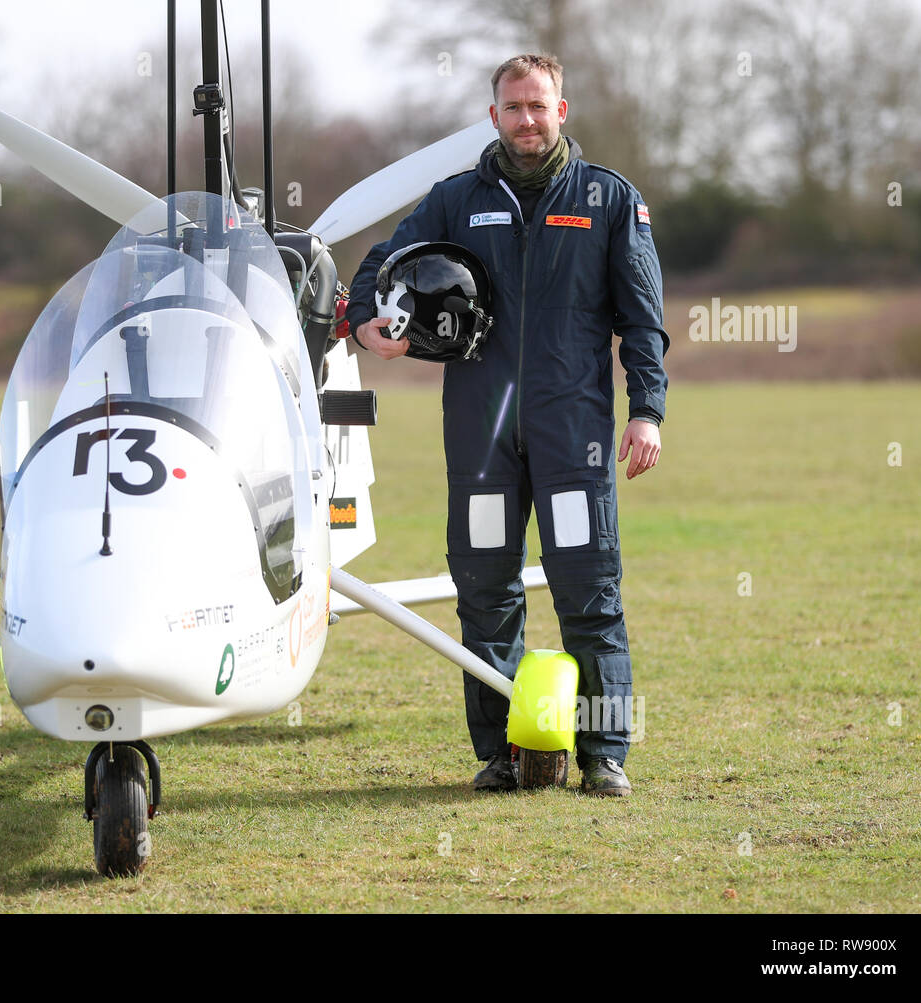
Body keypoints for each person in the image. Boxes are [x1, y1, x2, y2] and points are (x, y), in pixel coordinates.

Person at [345, 54, 669, 797]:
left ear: (564, 109)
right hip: (481, 436)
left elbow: (643, 321)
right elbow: (376, 265)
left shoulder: (608, 199)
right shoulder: (455, 199)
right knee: (486, 593)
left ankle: (604, 753)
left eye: (539, 105)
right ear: (493, 117)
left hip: (574, 437)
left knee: (590, 594)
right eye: (513, 107)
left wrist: (646, 409)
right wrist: (367, 324)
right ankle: (498, 753)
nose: (528, 119)